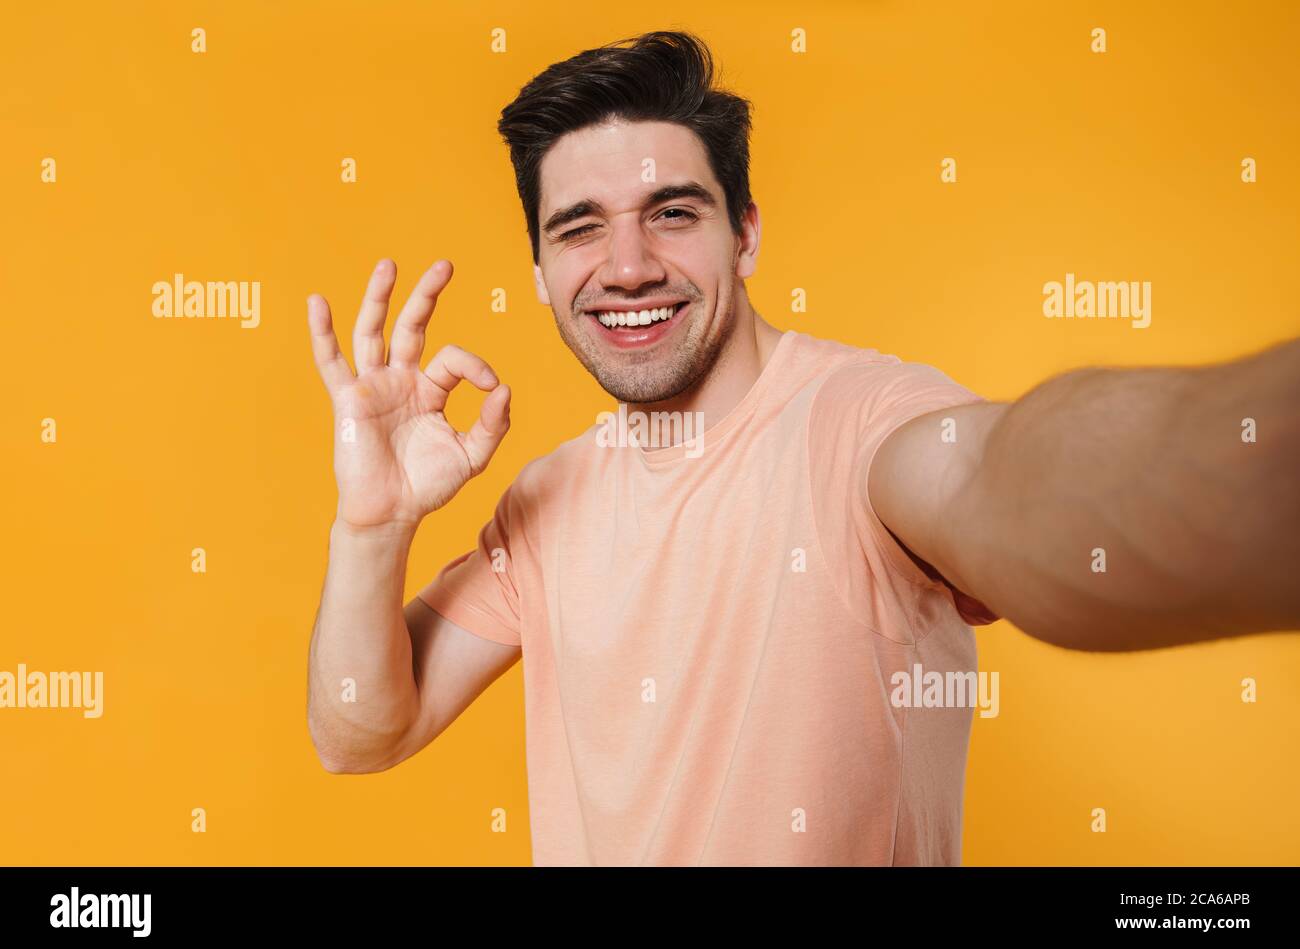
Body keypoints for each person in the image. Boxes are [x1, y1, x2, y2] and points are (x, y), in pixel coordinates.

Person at [304, 31, 1299, 865]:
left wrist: (1254, 446)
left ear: (745, 235)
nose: (628, 266)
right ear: (537, 271)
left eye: (671, 213)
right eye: (578, 229)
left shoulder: (861, 423)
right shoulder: (547, 498)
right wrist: (372, 525)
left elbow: (1005, 473)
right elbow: (361, 732)